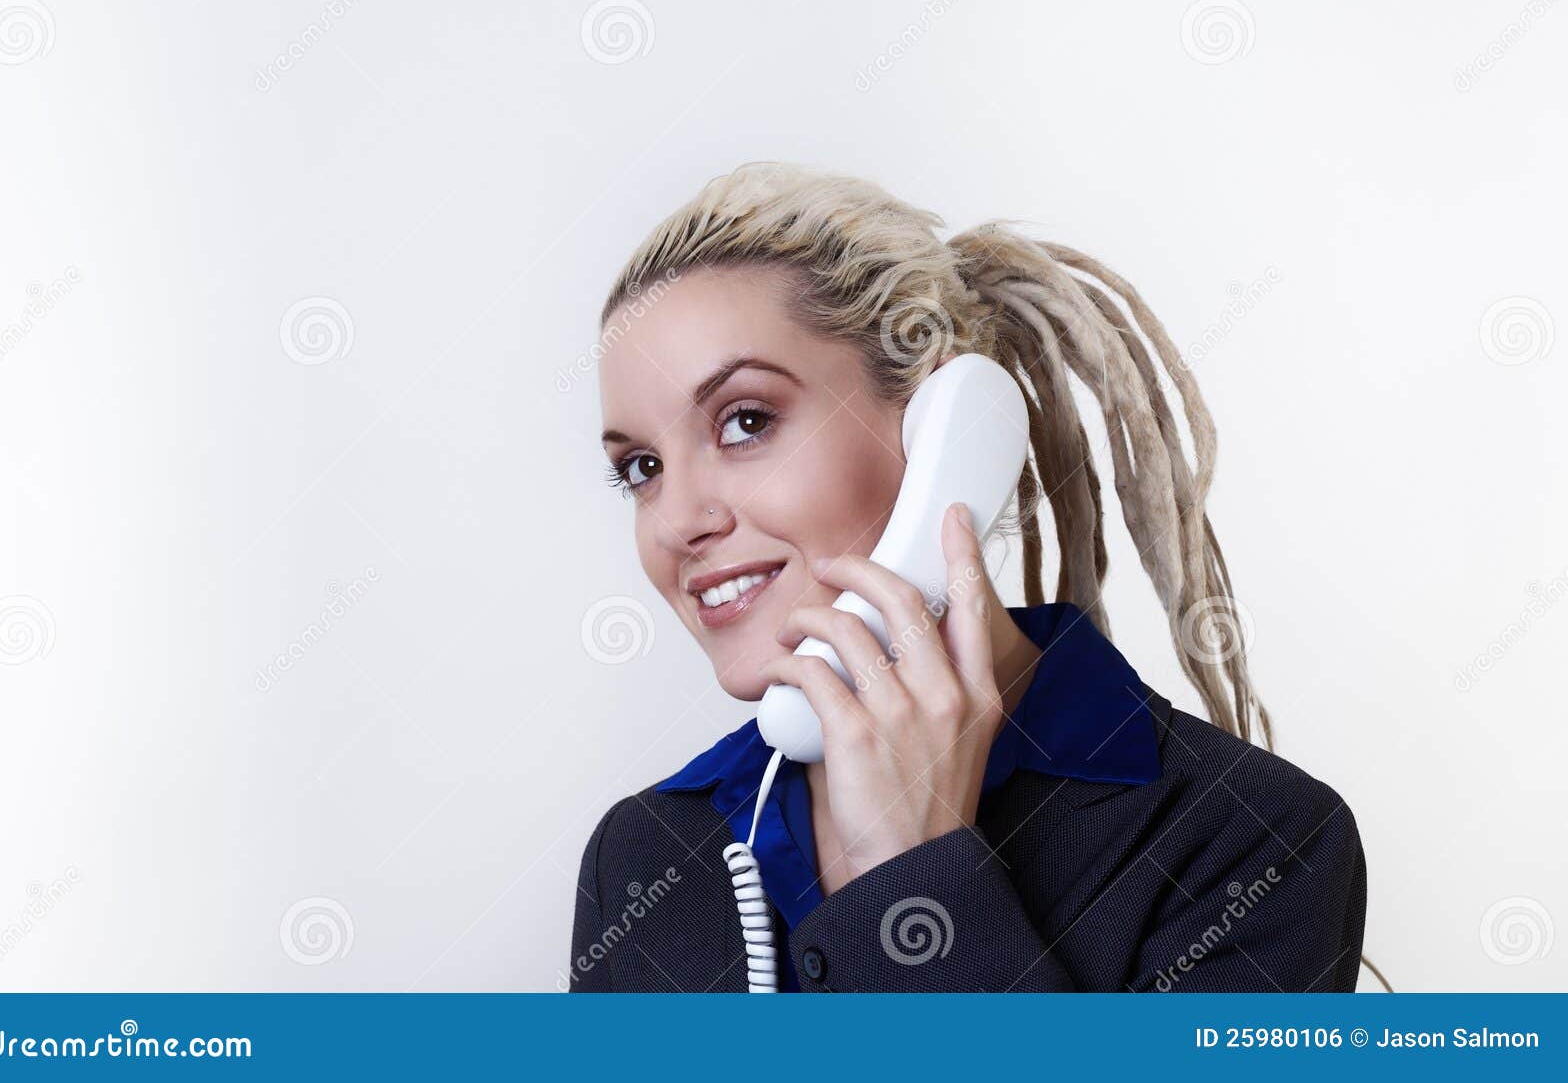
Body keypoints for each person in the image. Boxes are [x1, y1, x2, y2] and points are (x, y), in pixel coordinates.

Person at [572, 161, 1376, 992]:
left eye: (746, 421)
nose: (675, 520)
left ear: (942, 424)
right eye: (640, 468)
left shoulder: (1256, 845)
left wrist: (917, 869)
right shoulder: (643, 859)